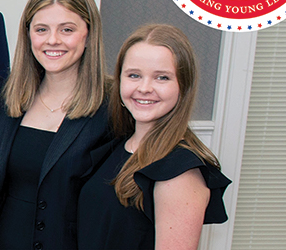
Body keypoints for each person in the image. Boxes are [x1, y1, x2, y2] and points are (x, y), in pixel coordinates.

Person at [77, 24, 230, 250]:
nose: (145, 88)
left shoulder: (179, 172)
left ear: (183, 87)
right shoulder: (118, 146)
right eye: (134, 75)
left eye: (162, 78)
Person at [0, 0, 111, 250]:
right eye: (41, 29)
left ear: (89, 35)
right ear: (28, 34)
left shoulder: (115, 105)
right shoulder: (6, 99)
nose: (52, 40)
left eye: (67, 29)